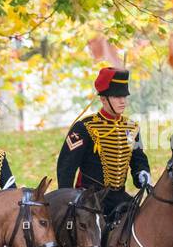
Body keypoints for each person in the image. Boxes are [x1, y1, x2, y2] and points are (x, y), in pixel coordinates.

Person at [57, 67, 151, 222]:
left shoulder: (132, 128)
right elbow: (66, 167)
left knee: (144, 222)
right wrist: (67, 200)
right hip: (89, 198)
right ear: (103, 99)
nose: (123, 101)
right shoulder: (85, 127)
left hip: (119, 197)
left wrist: (142, 173)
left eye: (124, 96)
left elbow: (139, 159)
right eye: (116, 96)